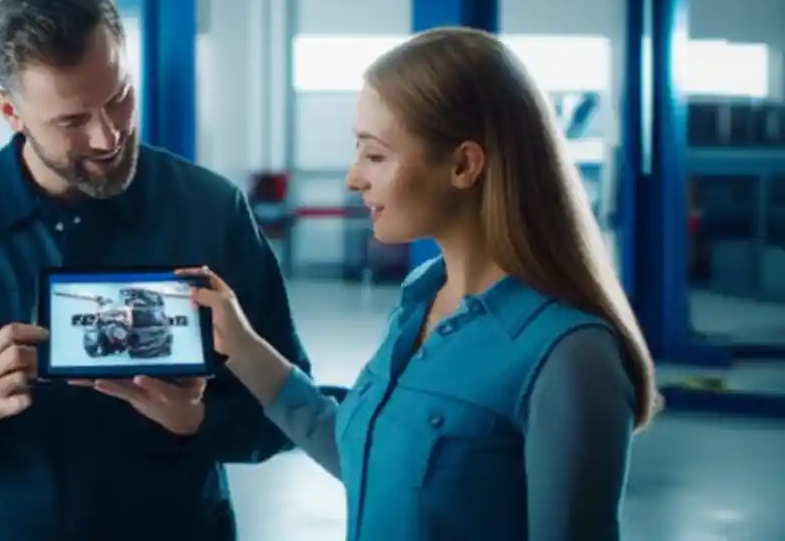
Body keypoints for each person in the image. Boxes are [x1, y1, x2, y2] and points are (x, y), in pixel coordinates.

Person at [0, 0, 312, 541]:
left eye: (119, 97)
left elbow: (292, 408)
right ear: (8, 110)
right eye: (71, 121)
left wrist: (200, 420)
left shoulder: (211, 210)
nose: (107, 137)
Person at [185, 27, 657, 541]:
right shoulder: (422, 301)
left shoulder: (568, 356)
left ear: (463, 165)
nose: (353, 178)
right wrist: (244, 347)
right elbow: (369, 458)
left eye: (375, 154)